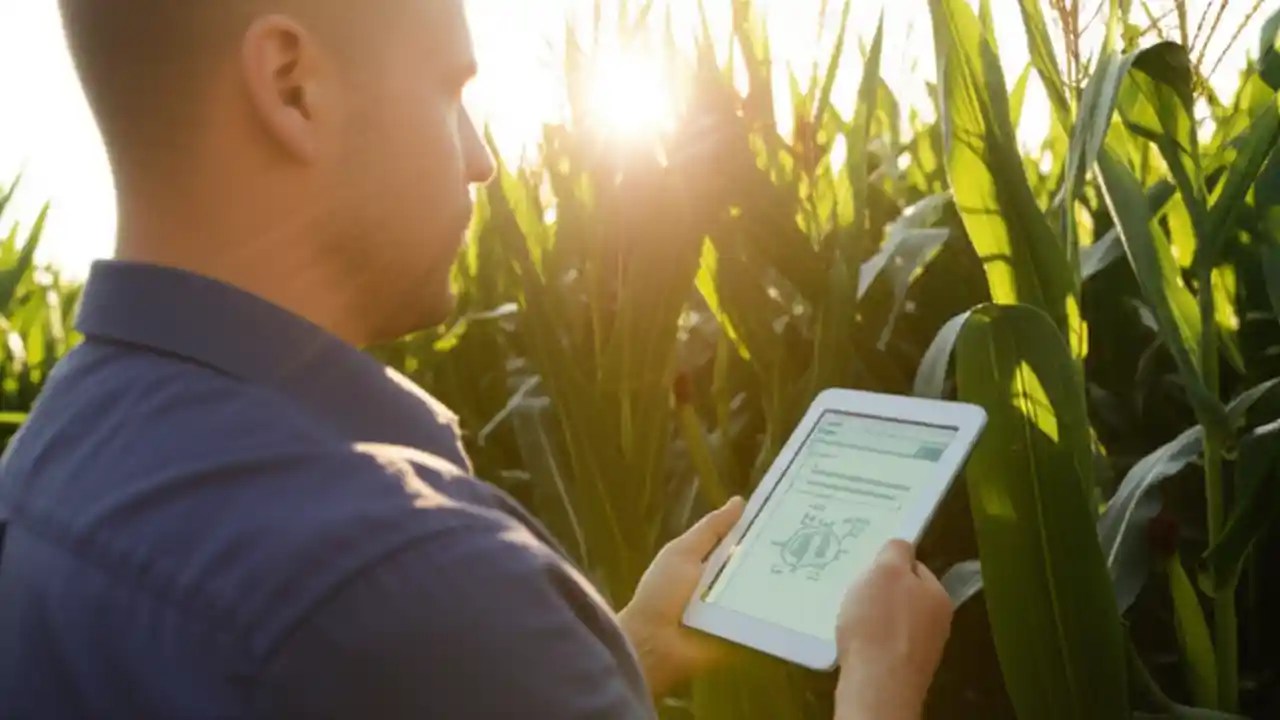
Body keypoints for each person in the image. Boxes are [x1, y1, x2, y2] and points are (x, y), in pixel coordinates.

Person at [0, 1, 955, 718]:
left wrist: (625, 647)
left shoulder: (48, 470)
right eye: (451, 92)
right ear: (292, 85)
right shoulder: (408, 580)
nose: (482, 157)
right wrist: (877, 685)